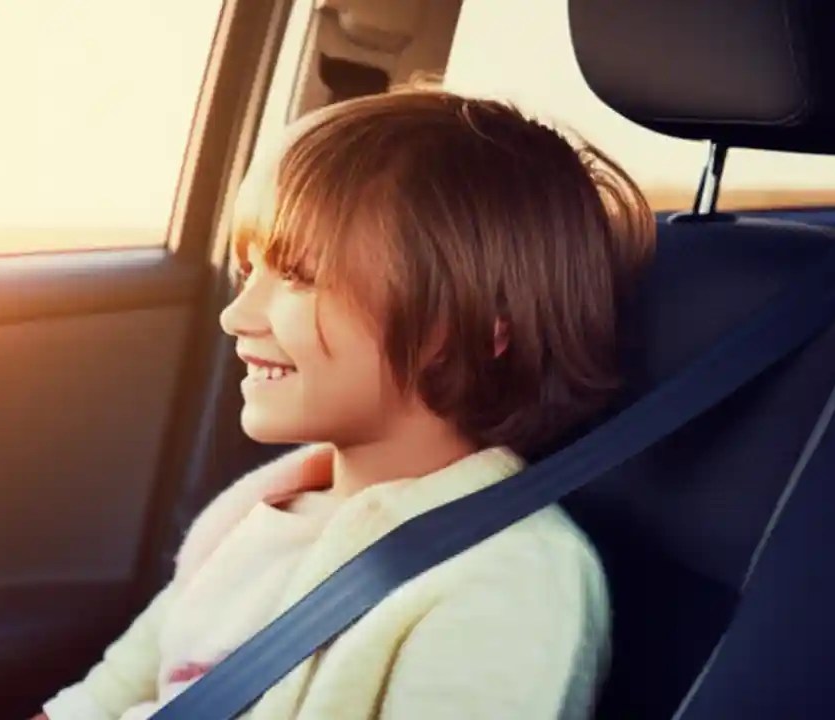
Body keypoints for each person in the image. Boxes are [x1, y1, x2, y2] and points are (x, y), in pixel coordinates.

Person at [37, 85, 655, 719]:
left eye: (298, 278)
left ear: (471, 326)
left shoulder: (511, 584)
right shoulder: (258, 513)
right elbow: (97, 702)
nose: (236, 315)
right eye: (250, 272)